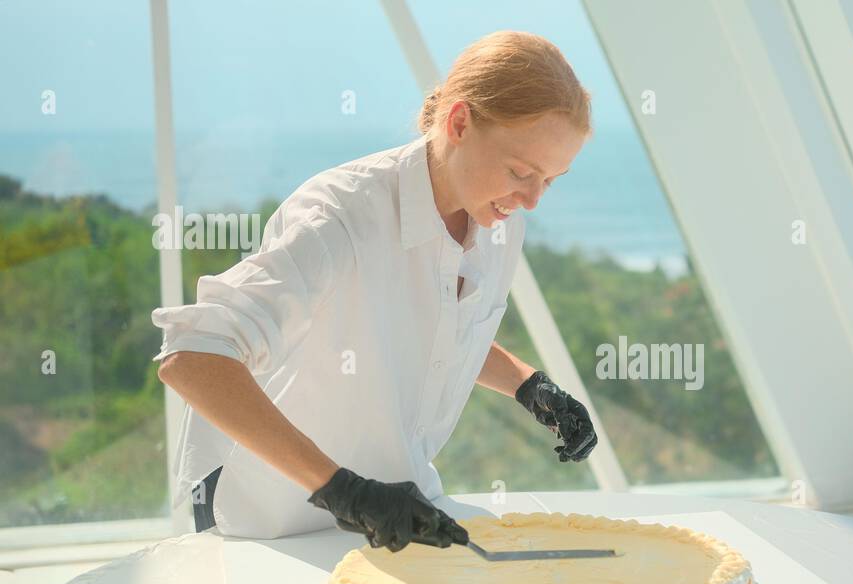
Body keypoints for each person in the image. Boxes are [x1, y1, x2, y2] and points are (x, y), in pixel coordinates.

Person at [151, 31, 597, 551]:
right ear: (458, 123)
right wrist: (345, 491)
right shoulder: (339, 215)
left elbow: (434, 327)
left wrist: (528, 384)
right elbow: (193, 357)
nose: (532, 199)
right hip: (272, 516)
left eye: (551, 179)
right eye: (521, 171)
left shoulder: (498, 219)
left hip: (397, 511)